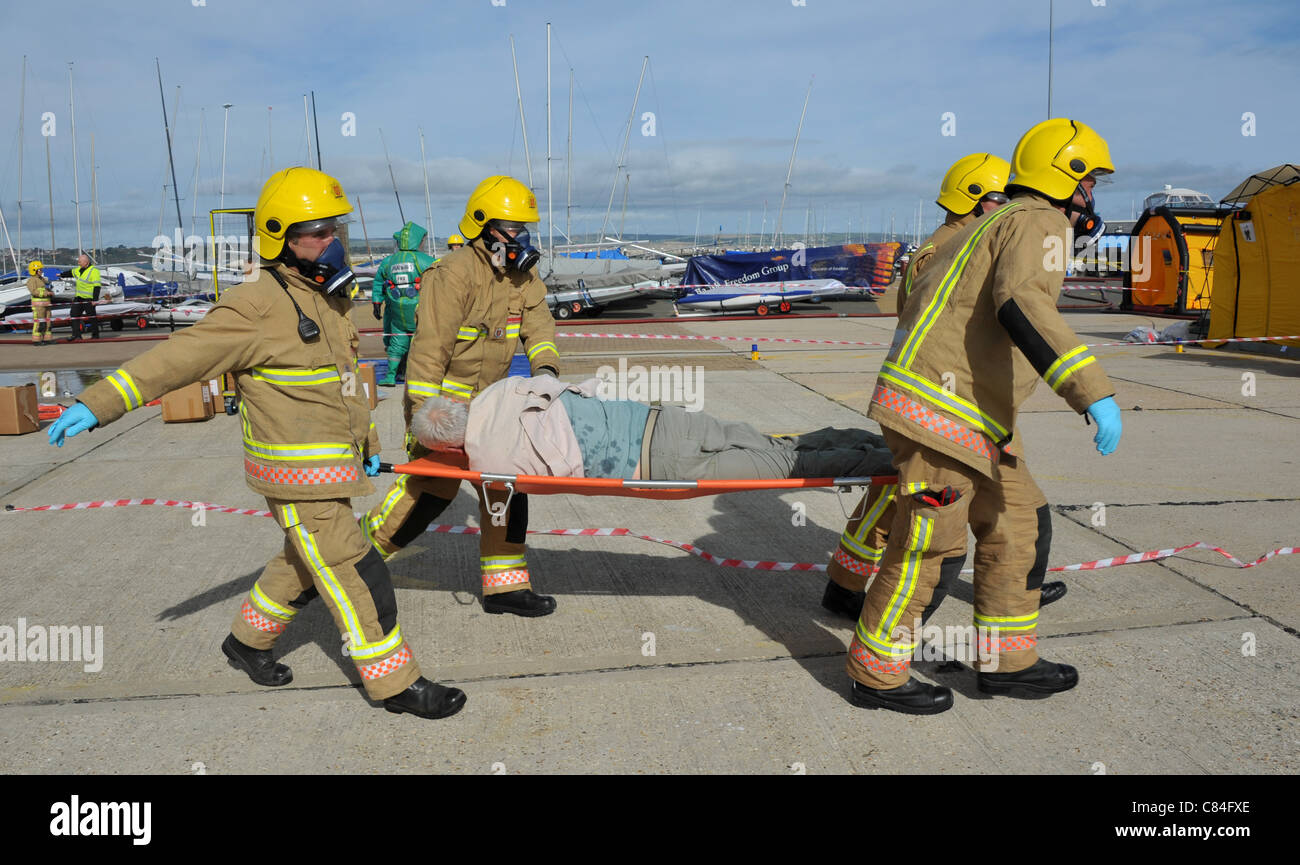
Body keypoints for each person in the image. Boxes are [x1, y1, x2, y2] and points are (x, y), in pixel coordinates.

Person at [46, 167, 465, 721]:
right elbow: (179, 358)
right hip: (294, 478)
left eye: (335, 229)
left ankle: (246, 642)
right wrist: (98, 402)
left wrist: (364, 438)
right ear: (280, 239)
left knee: (299, 563)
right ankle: (397, 685)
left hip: (333, 467)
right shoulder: (255, 306)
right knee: (356, 573)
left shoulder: (329, 302)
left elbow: (341, 387)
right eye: (318, 232)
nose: (332, 242)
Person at [846, 118, 1122, 715]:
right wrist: (1091, 391)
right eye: (1090, 183)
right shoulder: (1039, 221)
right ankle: (876, 672)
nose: (1092, 198)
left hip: (971, 413)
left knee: (1017, 523)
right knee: (930, 547)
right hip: (942, 411)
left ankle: (1008, 664)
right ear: (1066, 177)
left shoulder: (990, 222)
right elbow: (1022, 302)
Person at [362, 176, 562, 618]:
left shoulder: (521, 276)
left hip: (492, 408)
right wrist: (426, 414)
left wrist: (546, 372)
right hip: (445, 409)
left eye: (525, 227)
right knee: (427, 495)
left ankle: (505, 588)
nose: (522, 237)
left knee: (508, 489)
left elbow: (540, 328)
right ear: (484, 226)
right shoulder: (452, 275)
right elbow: (429, 350)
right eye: (514, 227)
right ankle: (355, 563)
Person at [413, 375, 895, 481]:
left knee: (785, 466)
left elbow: (551, 476)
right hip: (661, 419)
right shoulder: (502, 389)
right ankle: (863, 439)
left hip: (657, 462)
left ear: (448, 445)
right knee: (773, 443)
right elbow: (561, 384)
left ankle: (889, 462)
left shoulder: (487, 462)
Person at [372, 221, 436, 386]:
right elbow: (442, 278)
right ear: (417, 240)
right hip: (418, 311)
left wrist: (377, 302)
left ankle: (391, 376)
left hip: (396, 312)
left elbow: (378, 282)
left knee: (397, 342)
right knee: (421, 343)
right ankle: (419, 375)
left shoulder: (389, 261)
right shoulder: (425, 260)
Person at [59, 253, 100, 341]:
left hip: (89, 298)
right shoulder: (78, 269)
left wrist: (95, 300)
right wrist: (61, 275)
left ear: (86, 262)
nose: (78, 263)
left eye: (80, 262)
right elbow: (71, 272)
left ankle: (95, 335)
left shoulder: (94, 271)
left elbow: (97, 286)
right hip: (79, 297)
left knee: (92, 317)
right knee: (74, 314)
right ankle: (76, 335)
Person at [27, 261, 54, 346]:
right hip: (38, 306)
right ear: (34, 270)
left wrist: (50, 291)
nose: (41, 271)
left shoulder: (41, 279)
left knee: (48, 322)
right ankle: (37, 340)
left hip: (47, 305)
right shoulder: (31, 280)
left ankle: (47, 339)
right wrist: (47, 293)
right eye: (40, 269)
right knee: (39, 323)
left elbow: (45, 287)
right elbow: (34, 291)